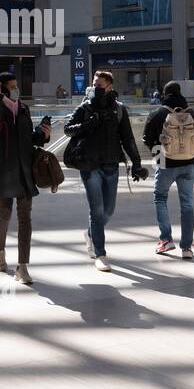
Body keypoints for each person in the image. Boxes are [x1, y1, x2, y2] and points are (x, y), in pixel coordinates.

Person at [64, 70, 146, 272]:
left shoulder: (119, 109)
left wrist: (136, 162)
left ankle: (91, 234)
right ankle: (100, 253)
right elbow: (68, 129)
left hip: (111, 165)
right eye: (94, 84)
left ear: (110, 86)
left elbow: (127, 138)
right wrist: (86, 124)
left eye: (99, 85)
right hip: (90, 166)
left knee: (109, 210)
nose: (95, 88)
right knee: (97, 210)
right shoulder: (85, 107)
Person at [0, 72, 51, 285]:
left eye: (16, 85)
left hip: (25, 170)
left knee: (25, 219)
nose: (15, 89)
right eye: (11, 86)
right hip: (5, 171)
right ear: (1, 88)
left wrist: (43, 133)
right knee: (4, 215)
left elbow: (28, 138)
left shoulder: (23, 108)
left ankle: (23, 267)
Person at [142, 81, 194, 259]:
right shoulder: (192, 113)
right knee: (187, 204)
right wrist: (189, 151)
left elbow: (146, 139)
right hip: (189, 163)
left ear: (164, 93)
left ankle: (166, 240)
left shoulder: (157, 113)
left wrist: (159, 157)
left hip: (166, 163)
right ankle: (186, 248)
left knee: (160, 197)